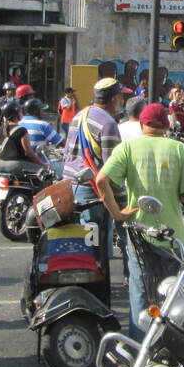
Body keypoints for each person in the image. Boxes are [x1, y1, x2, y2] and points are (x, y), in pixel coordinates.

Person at [94, 103, 184, 334]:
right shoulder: (178, 148)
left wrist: (117, 213)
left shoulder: (128, 148)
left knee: (140, 290)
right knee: (171, 295)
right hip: (171, 236)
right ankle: (168, 345)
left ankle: (138, 345)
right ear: (167, 125)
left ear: (142, 124)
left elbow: (101, 180)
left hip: (138, 233)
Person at [64, 77, 129, 265]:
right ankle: (94, 285)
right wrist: (122, 202)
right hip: (91, 190)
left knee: (85, 242)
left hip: (71, 186)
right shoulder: (108, 124)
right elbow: (111, 170)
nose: (122, 102)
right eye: (121, 97)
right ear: (115, 98)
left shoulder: (80, 115)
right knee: (95, 248)